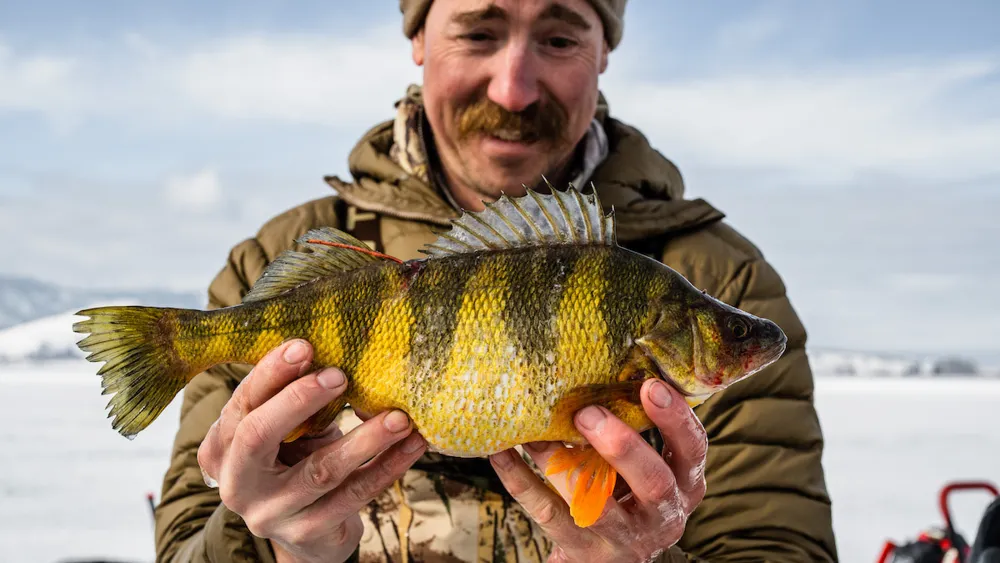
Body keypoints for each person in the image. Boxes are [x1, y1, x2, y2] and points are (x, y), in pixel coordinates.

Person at [153, 1, 839, 561]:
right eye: (480, 31)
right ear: (419, 36)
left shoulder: (727, 278)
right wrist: (278, 543)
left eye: (560, 36)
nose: (514, 88)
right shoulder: (267, 261)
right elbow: (184, 545)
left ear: (605, 50)